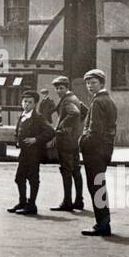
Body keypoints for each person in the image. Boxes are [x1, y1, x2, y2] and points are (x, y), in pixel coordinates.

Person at [79, 69, 118, 237]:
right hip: (105, 148)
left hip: (95, 149)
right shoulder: (108, 100)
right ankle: (103, 223)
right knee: (99, 185)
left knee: (95, 186)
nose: (89, 86)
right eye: (88, 83)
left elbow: (94, 130)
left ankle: (102, 225)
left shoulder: (98, 102)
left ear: (102, 84)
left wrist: (82, 142)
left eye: (93, 82)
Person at [8, 88, 55, 216]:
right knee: (19, 178)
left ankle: (32, 205)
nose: (26, 104)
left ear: (35, 104)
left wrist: (36, 139)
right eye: (25, 102)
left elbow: (51, 131)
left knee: (33, 178)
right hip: (24, 152)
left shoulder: (38, 117)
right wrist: (17, 140)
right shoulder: (22, 115)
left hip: (34, 153)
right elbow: (18, 130)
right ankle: (22, 202)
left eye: (29, 102)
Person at [49, 75, 87, 212]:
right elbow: (84, 111)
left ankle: (67, 202)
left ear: (67, 88)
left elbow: (75, 113)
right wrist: (76, 128)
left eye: (61, 88)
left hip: (65, 140)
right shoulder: (74, 98)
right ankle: (79, 201)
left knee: (66, 170)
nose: (59, 91)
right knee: (76, 169)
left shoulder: (67, 100)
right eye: (57, 88)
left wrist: (62, 127)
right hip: (74, 139)